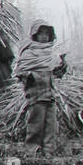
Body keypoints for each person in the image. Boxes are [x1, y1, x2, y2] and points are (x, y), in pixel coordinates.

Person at [12, 18, 67, 151]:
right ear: (35, 34)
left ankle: (49, 150)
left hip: (50, 93)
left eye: (47, 34)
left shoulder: (51, 54)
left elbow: (57, 74)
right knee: (35, 123)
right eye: (41, 33)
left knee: (51, 124)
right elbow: (20, 70)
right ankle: (33, 150)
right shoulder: (28, 52)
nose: (44, 36)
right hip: (35, 94)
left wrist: (62, 66)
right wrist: (30, 77)